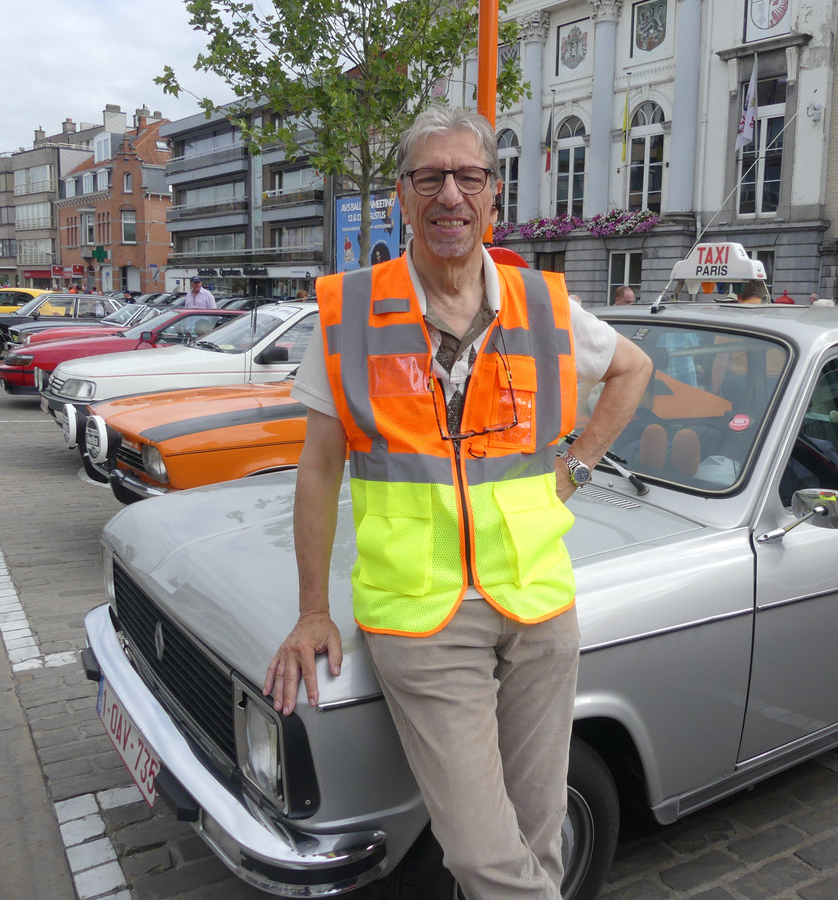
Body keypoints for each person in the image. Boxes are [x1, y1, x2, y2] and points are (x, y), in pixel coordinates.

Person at [264, 104, 651, 900]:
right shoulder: (346, 315)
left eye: (467, 177)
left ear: (493, 197)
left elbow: (632, 370)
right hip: (422, 614)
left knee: (540, 836)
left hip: (539, 603)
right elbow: (317, 469)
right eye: (430, 177)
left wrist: (574, 468)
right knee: (482, 853)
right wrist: (311, 610)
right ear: (401, 198)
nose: (450, 194)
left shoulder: (539, 304)